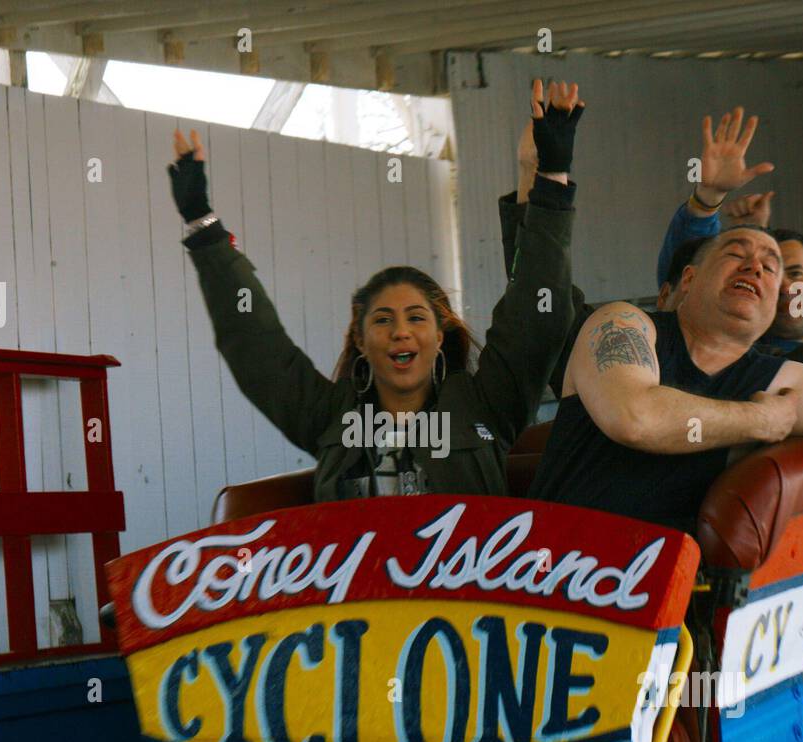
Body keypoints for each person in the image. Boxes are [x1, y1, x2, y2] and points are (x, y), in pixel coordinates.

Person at [169, 79, 583, 501]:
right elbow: (255, 346)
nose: (401, 331)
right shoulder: (327, 416)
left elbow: (537, 315)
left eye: (416, 318)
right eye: (383, 320)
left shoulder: (488, 405)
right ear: (361, 342)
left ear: (440, 337)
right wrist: (202, 226)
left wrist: (550, 176)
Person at [529, 166, 803, 533]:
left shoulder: (780, 380)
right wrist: (760, 420)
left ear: (776, 305)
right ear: (690, 280)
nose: (756, 266)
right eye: (736, 254)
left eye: (771, 267)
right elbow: (637, 418)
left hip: (670, 600)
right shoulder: (623, 324)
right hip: (550, 581)